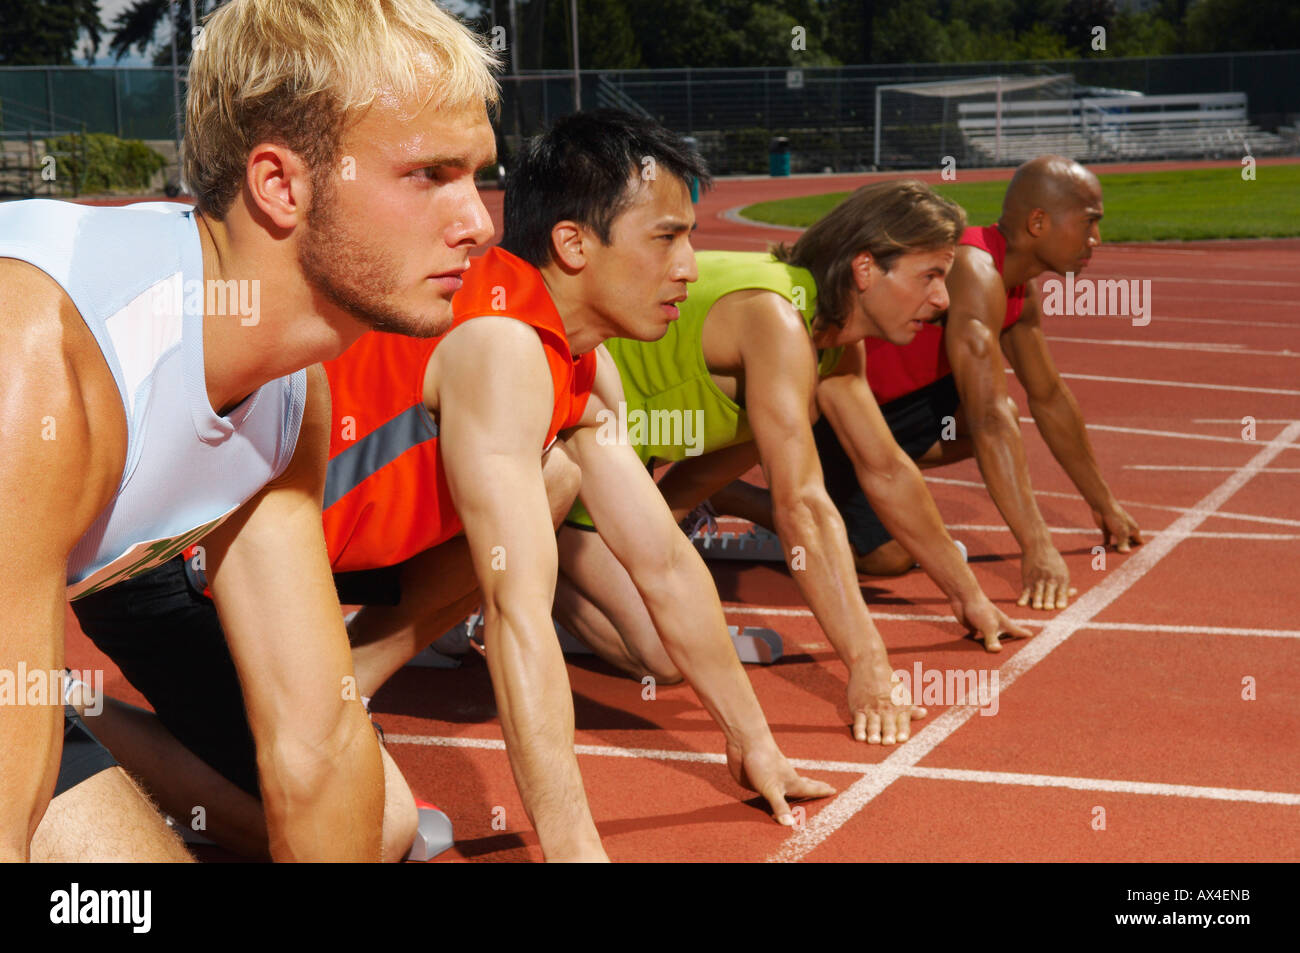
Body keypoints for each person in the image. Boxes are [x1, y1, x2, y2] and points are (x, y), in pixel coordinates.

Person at [71, 110, 833, 863]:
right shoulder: (500, 349)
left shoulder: (583, 370)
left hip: (298, 551)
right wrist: (573, 849)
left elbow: (662, 561)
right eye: (668, 237)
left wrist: (753, 743)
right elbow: (518, 618)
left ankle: (342, 684)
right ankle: (73, 716)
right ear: (574, 245)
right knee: (382, 831)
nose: (692, 267)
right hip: (173, 564)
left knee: (553, 476)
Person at [1, 0, 499, 862]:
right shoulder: (44, 357)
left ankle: (63, 697)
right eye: (431, 175)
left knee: (374, 823)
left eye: (478, 174)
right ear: (280, 185)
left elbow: (316, 743)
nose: (479, 222)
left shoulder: (285, 390)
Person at [555, 179, 1030, 753]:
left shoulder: (833, 339)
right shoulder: (777, 320)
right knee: (663, 659)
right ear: (864, 268)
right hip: (578, 435)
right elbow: (801, 504)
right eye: (929, 276)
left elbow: (887, 470)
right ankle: (530, 563)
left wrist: (970, 597)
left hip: (637, 443)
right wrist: (869, 666)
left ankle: (584, 564)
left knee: (776, 427)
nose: (943, 301)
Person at [804, 155, 1142, 610]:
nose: (1096, 239)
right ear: (1038, 222)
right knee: (890, 556)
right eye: (1088, 223)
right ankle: (749, 500)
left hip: (893, 410)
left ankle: (855, 489)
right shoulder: (974, 268)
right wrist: (1036, 546)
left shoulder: (1016, 286)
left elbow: (1048, 396)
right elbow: (990, 417)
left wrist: (1104, 504)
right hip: (833, 405)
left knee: (987, 414)